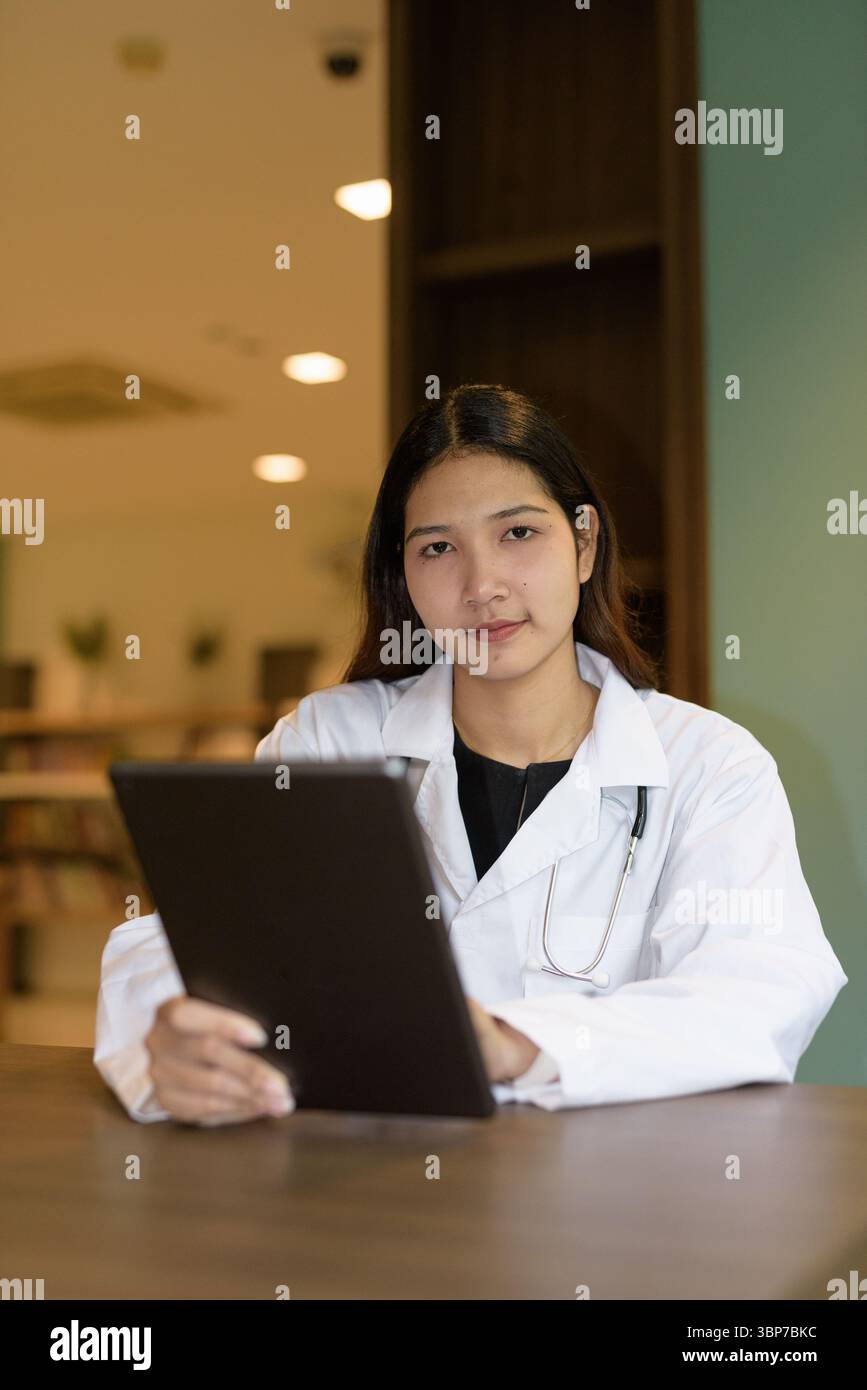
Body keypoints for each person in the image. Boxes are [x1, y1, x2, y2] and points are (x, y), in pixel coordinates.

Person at [94, 384, 847, 1124]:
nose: (482, 586)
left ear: (583, 543)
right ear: (404, 574)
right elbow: (184, 935)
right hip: (359, 1196)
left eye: (518, 533)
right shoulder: (329, 742)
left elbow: (757, 991)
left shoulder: (708, 765)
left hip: (612, 1213)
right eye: (438, 547)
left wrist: (518, 1046)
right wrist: (172, 1030)